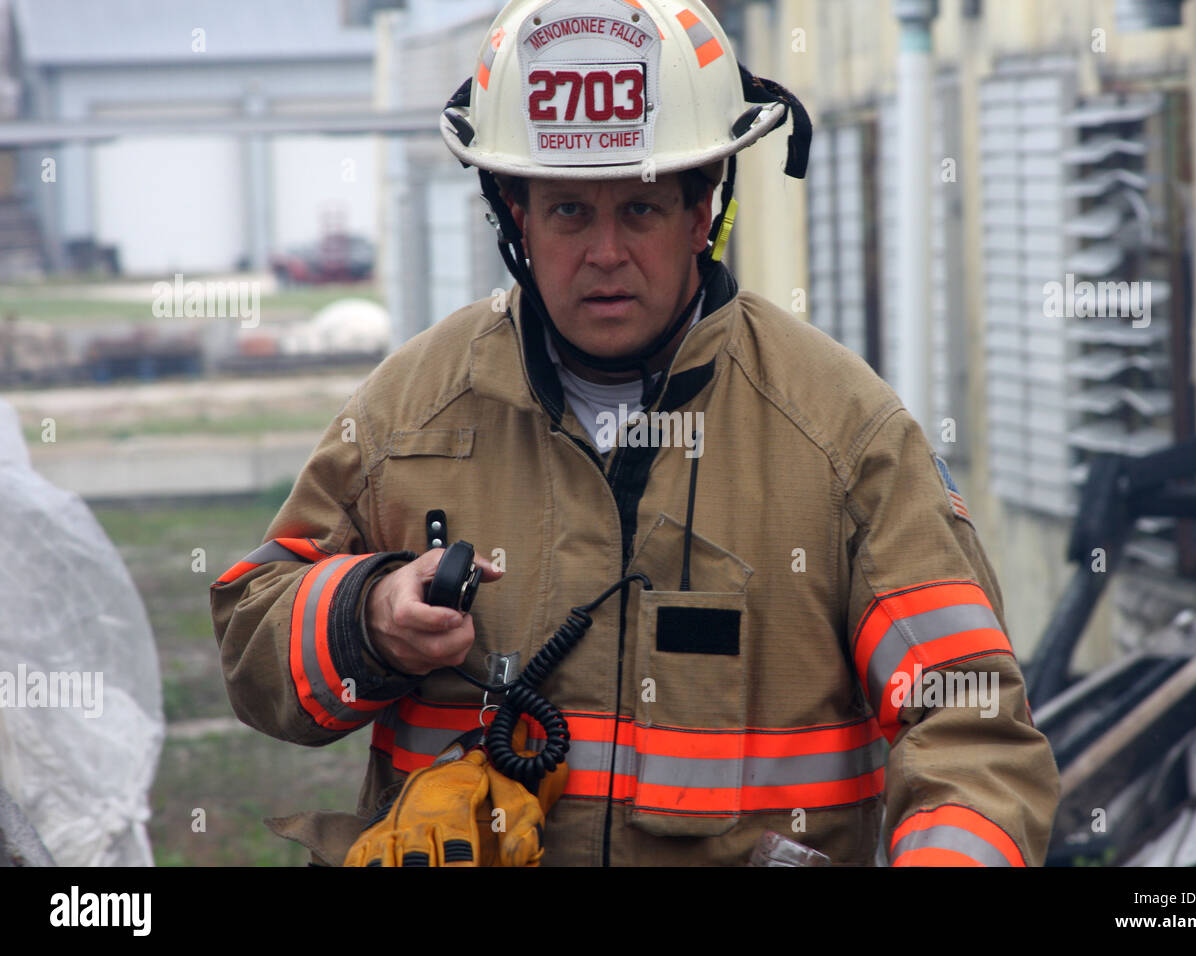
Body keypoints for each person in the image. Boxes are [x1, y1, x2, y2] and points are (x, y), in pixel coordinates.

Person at [211, 0, 1059, 866]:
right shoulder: (410, 412)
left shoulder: (844, 436)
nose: (605, 252)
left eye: (642, 210)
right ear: (517, 215)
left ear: (702, 212)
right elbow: (253, 652)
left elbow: (970, 730)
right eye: (570, 211)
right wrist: (366, 615)